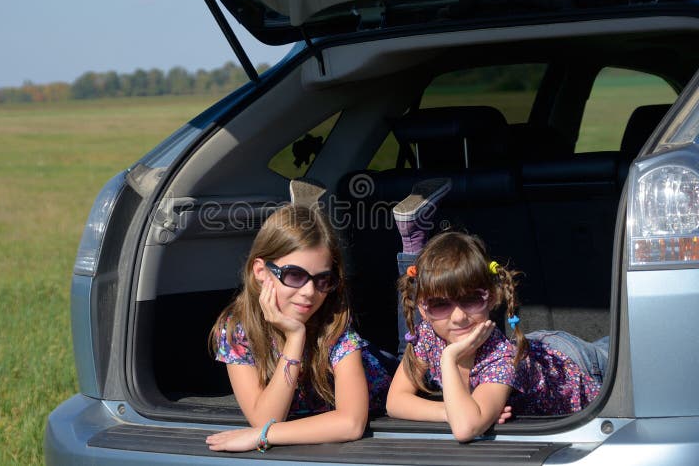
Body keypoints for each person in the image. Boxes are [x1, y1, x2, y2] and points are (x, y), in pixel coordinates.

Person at [386, 190, 607, 442]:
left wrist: (448, 358)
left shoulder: (502, 357)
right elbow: (395, 402)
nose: (458, 317)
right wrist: (451, 411)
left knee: (630, 349)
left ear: (491, 297)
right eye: (440, 304)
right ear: (423, 309)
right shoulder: (428, 335)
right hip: (536, 348)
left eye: (470, 299)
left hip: (576, 361)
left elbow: (466, 428)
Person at [206, 203, 392, 453]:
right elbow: (263, 418)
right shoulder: (238, 329)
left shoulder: (334, 323)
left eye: (323, 279)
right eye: (294, 275)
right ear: (261, 271)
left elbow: (351, 423)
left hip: (386, 382)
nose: (309, 292)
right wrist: (295, 338)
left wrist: (263, 436)